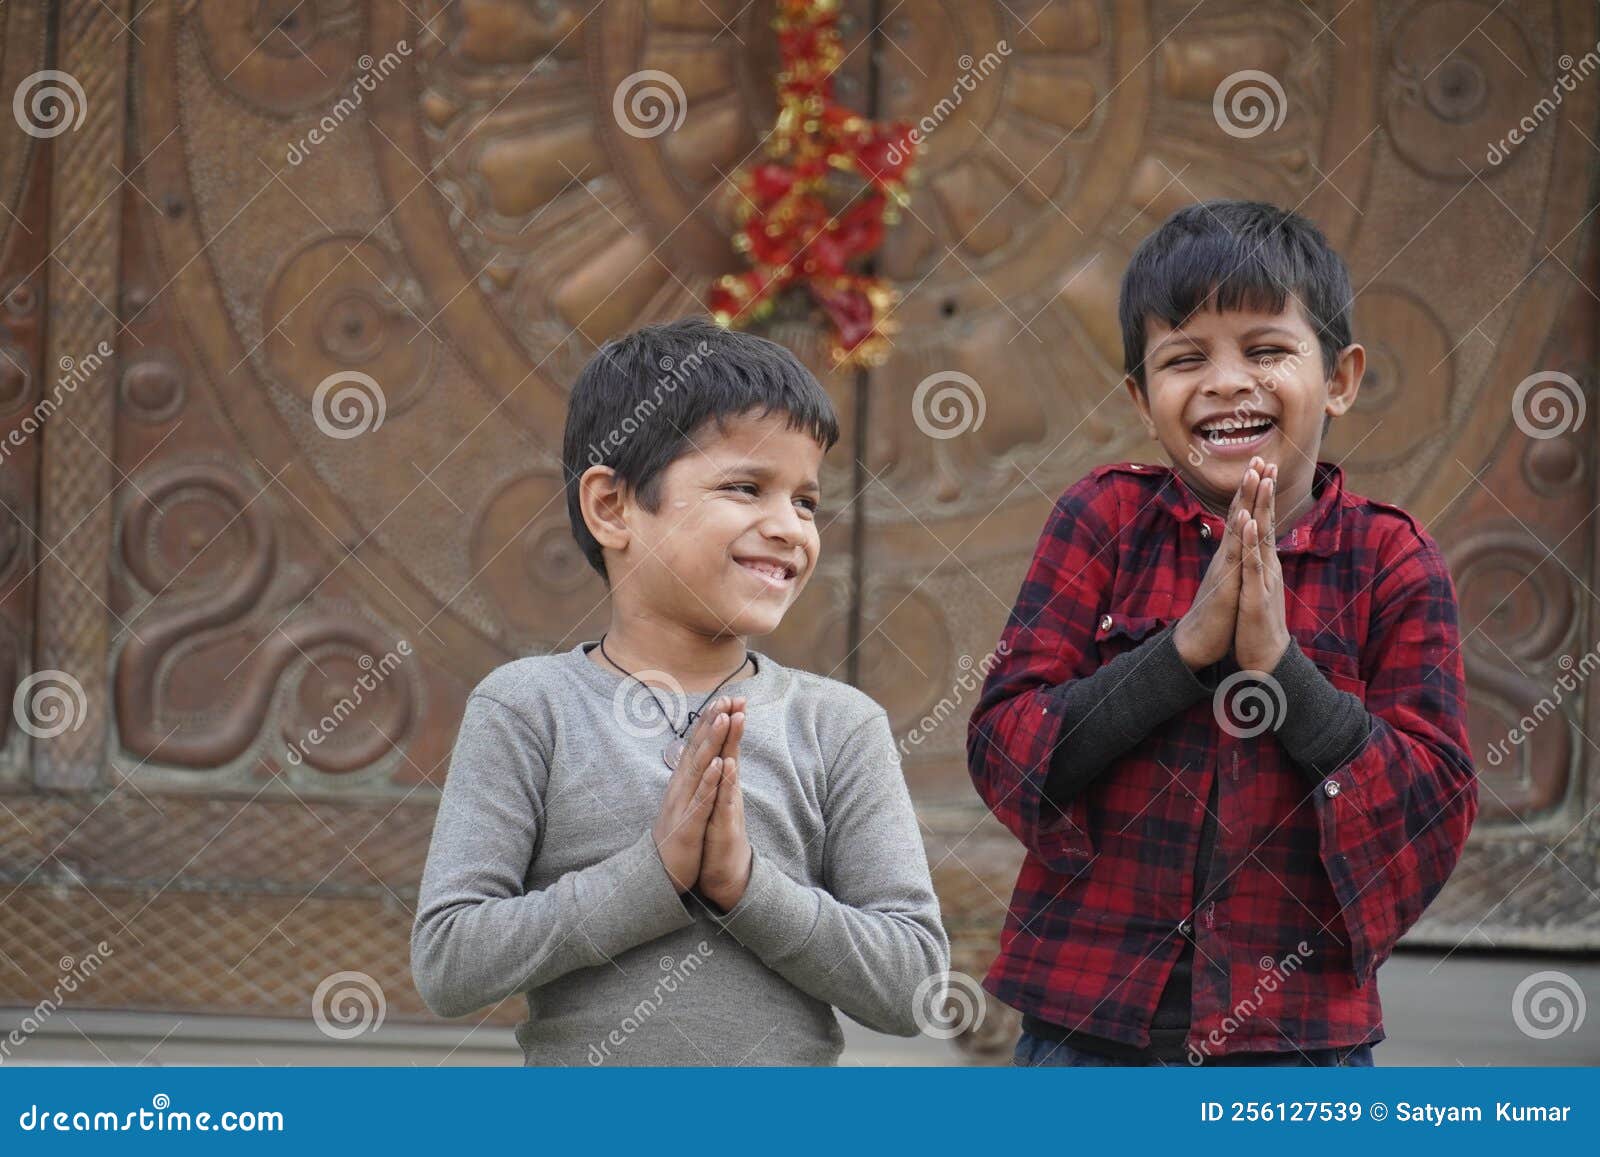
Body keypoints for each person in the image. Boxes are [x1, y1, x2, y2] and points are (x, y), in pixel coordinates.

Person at [967, 199, 1478, 1066]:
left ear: (1343, 379)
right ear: (1142, 396)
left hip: (1298, 1044)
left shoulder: (1391, 558)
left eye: (1268, 350)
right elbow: (1006, 745)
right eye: (1185, 358)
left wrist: (1280, 669)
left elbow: (1430, 801)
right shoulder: (1103, 521)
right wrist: (1180, 654)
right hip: (1084, 1034)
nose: (1227, 381)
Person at [411, 316, 948, 1065]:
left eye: (805, 500)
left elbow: (914, 983)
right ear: (613, 507)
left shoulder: (839, 726)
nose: (790, 527)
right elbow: (449, 962)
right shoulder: (529, 708)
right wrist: (651, 874)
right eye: (746, 486)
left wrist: (745, 885)